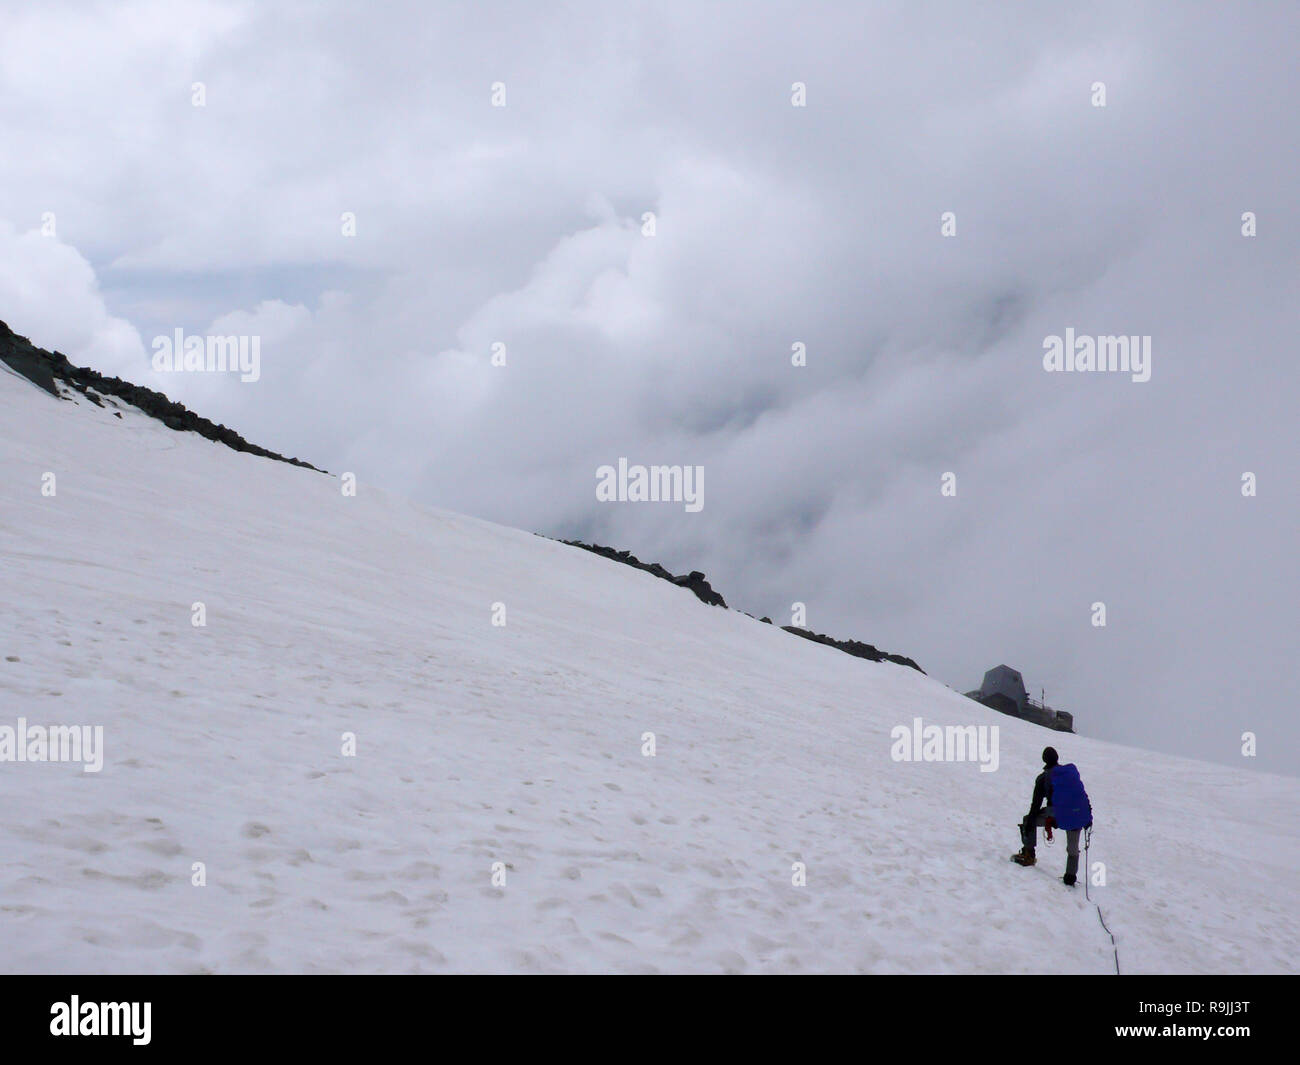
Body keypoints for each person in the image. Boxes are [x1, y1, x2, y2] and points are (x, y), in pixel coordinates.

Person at [1011, 746, 1087, 886]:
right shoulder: (1069, 773)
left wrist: (1029, 823)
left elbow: (1036, 804)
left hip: (1056, 815)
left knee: (1028, 819)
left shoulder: (1043, 778)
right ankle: (1070, 877)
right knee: (1073, 847)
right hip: (1076, 814)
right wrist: (1088, 817)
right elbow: (1081, 795)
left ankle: (1028, 855)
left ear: (1044, 760)